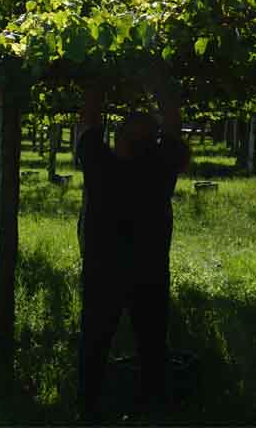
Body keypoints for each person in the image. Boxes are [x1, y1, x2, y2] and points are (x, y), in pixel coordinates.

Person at [76, 79, 190, 419]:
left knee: (94, 344)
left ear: (118, 139)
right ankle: (152, 408)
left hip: (102, 274)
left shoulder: (100, 167)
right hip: (149, 275)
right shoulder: (160, 171)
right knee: (152, 345)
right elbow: (172, 125)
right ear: (154, 143)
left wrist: (99, 74)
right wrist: (159, 80)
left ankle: (88, 410)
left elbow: (88, 121)